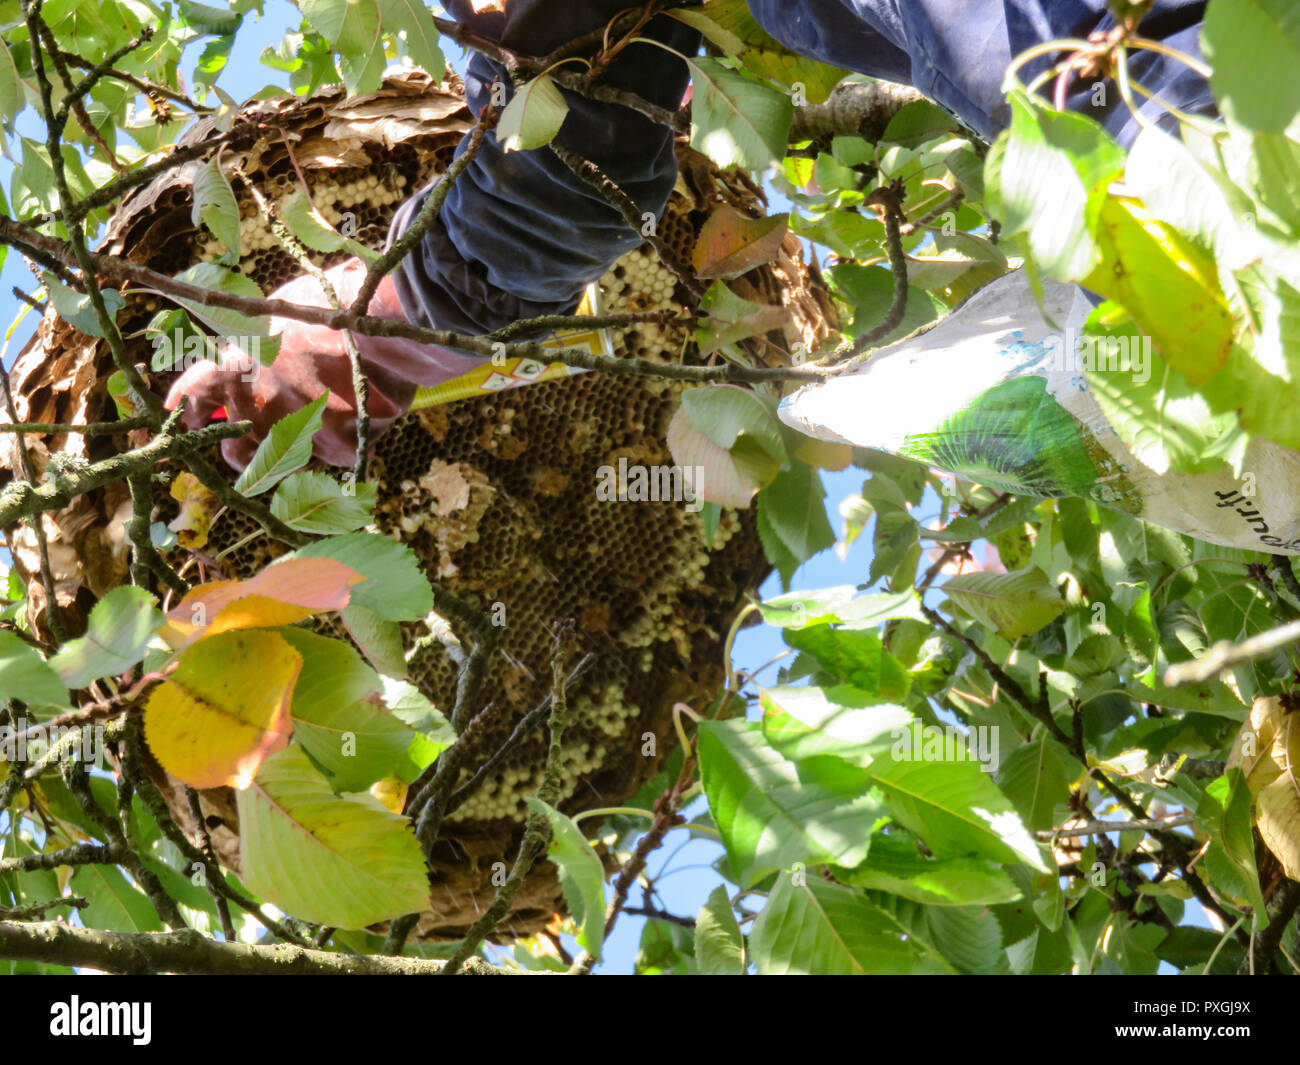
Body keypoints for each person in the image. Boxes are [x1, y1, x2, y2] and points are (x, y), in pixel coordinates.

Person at [167, 0, 1212, 471]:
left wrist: (392, 318)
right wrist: (394, 321)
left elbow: (569, 114)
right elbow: (583, 128)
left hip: (1208, 139)